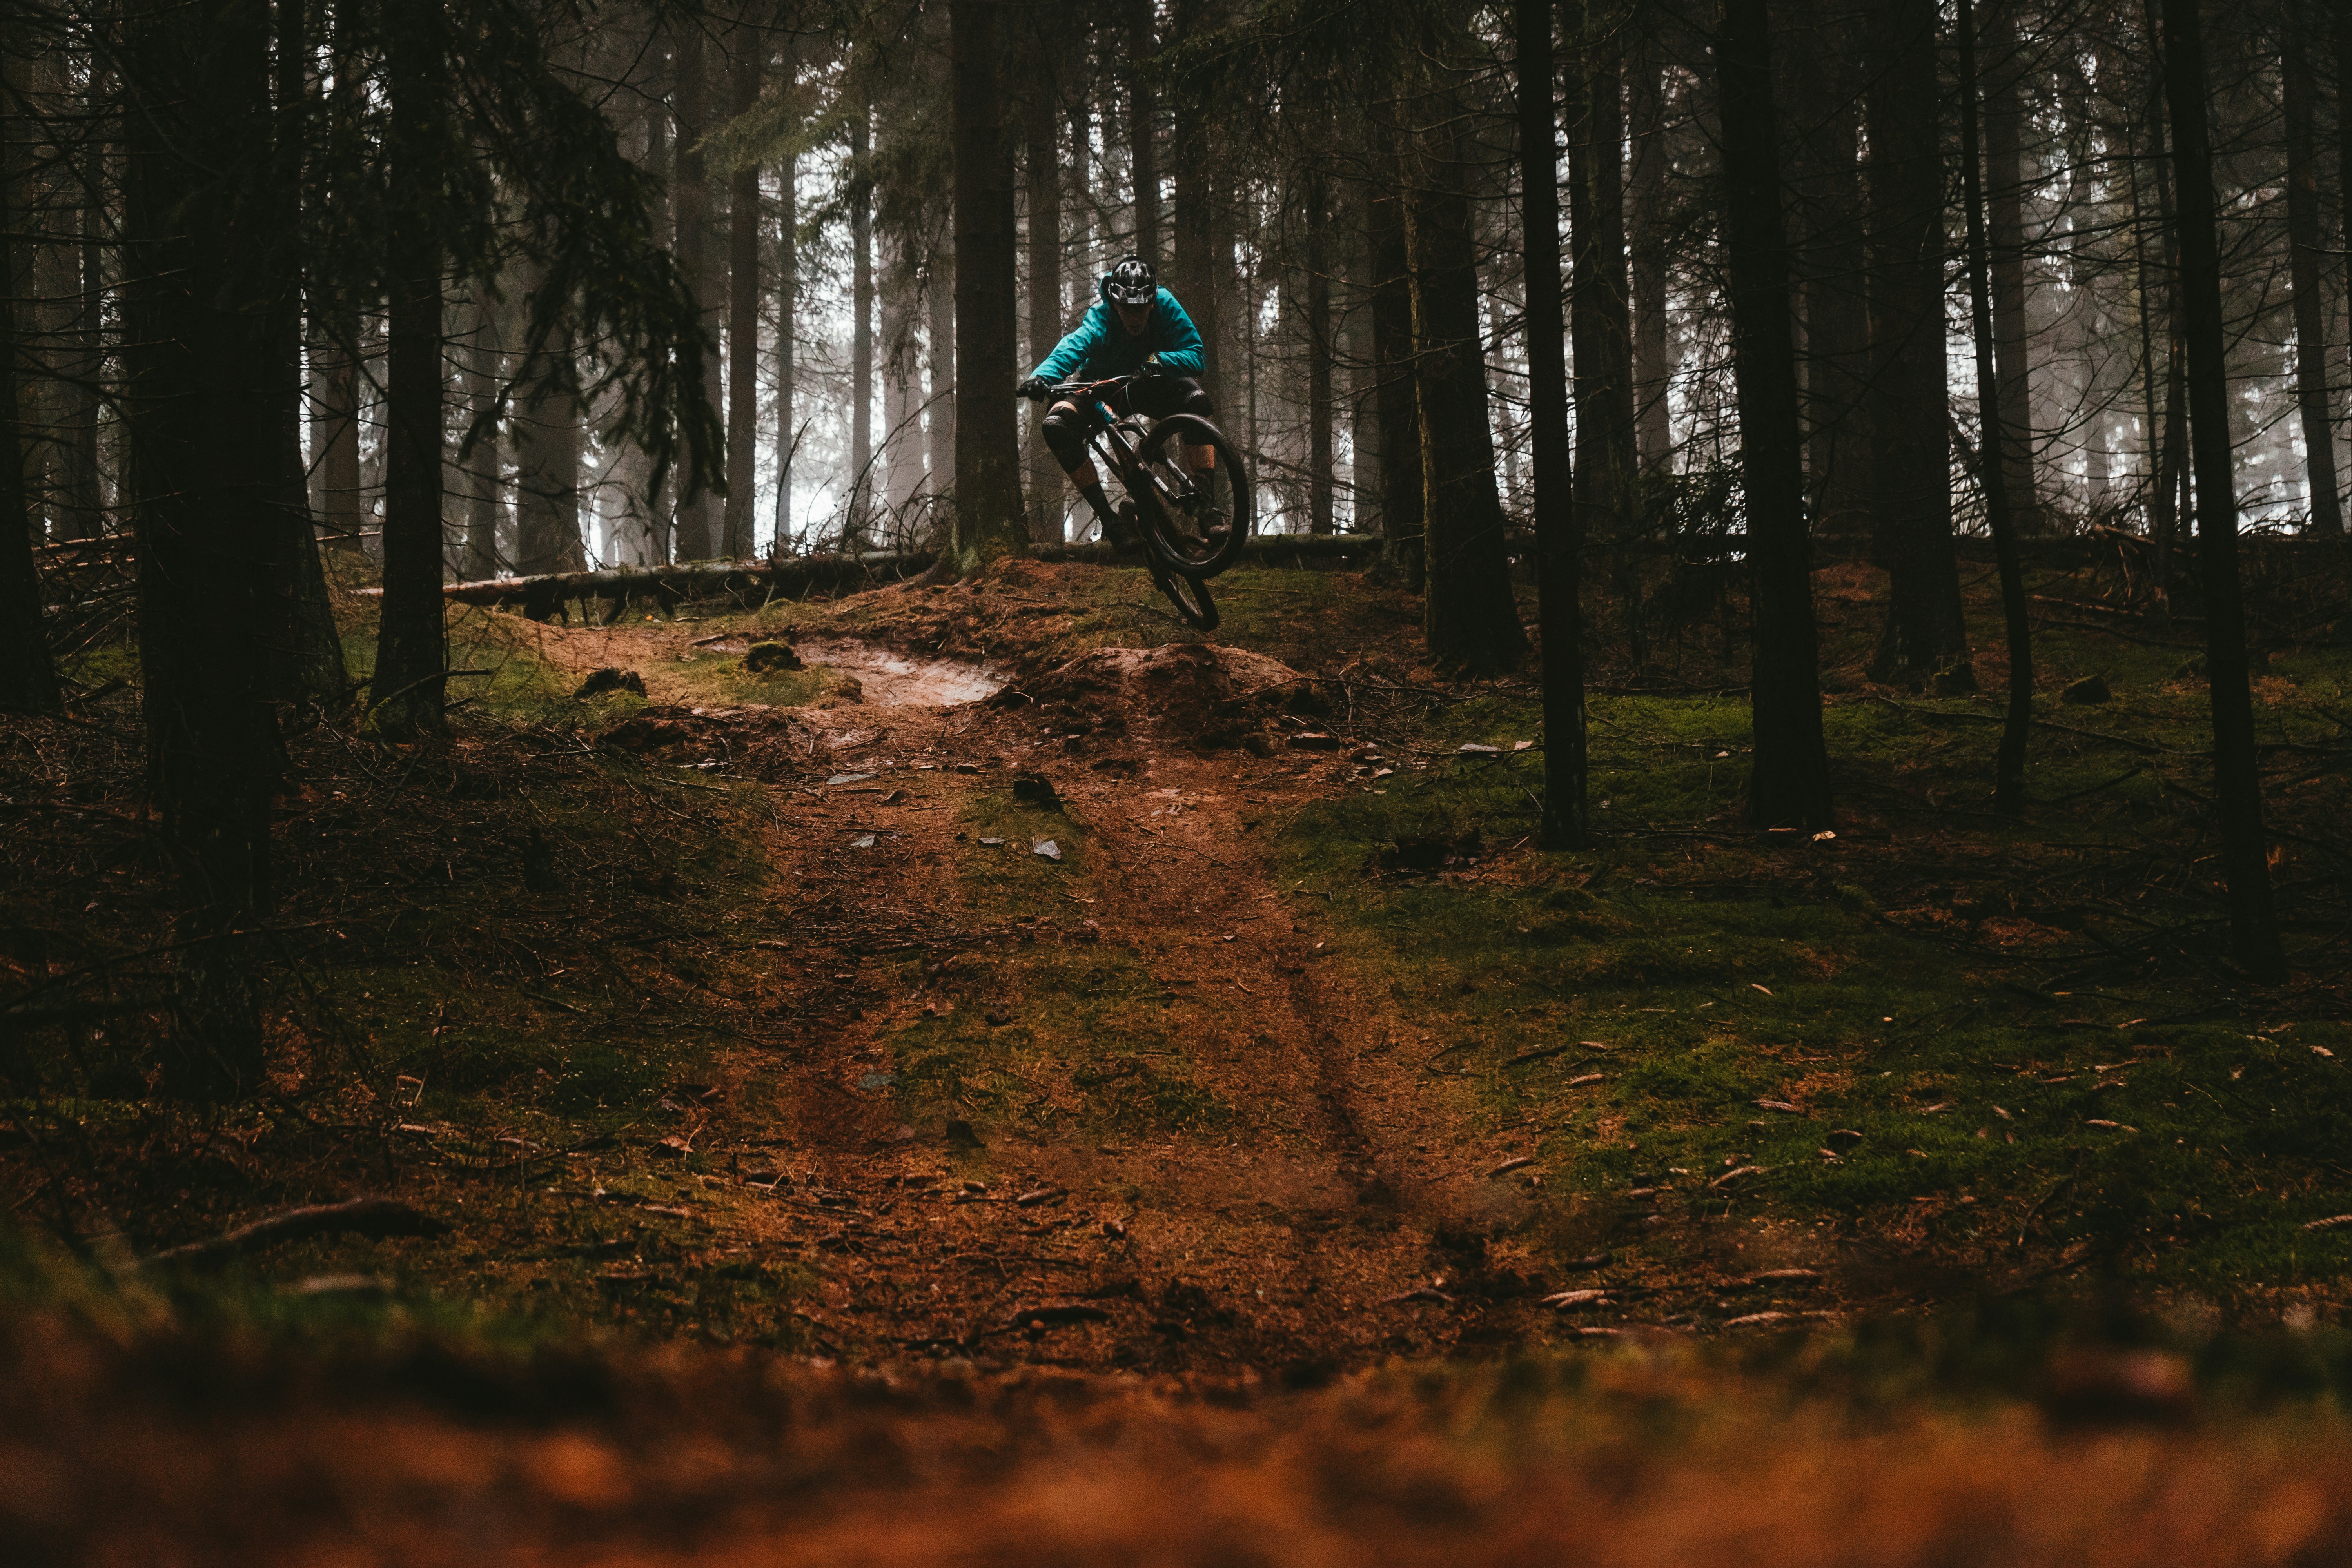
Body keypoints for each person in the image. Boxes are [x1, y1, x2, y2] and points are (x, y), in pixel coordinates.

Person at [1019, 255, 1213, 553]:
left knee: (1197, 402)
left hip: (1154, 381)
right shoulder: (1102, 316)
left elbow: (1196, 355)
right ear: (1115, 304)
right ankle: (1112, 523)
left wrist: (1161, 360)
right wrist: (1042, 377)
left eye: (1140, 311)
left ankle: (1207, 507)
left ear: (1152, 304)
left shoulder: (1166, 304)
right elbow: (1074, 345)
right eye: (1125, 310)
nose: (1133, 319)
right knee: (1057, 424)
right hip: (1103, 387)